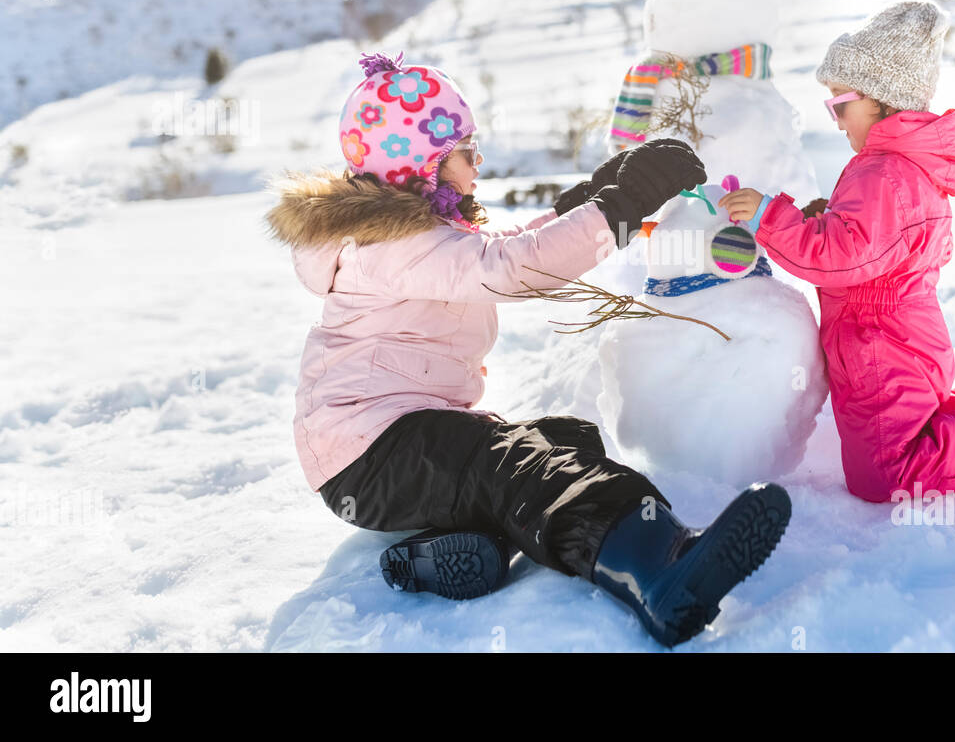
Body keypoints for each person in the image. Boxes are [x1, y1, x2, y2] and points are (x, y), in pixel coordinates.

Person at [262, 51, 791, 647]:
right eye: (464, 151)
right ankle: (657, 564)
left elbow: (506, 244)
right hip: (372, 449)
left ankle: (456, 549)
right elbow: (510, 267)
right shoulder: (391, 244)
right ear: (421, 167)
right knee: (519, 466)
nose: (478, 161)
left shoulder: (417, 236)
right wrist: (617, 210)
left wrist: (591, 196)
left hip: (389, 446)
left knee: (564, 441)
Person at [719, 1, 955, 505]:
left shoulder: (885, 172)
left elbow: (843, 258)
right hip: (898, 341)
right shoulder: (898, 168)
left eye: (839, 103)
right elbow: (866, 243)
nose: (834, 118)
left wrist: (771, 219)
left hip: (884, 347)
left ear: (880, 100)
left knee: (886, 475)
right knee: (907, 434)